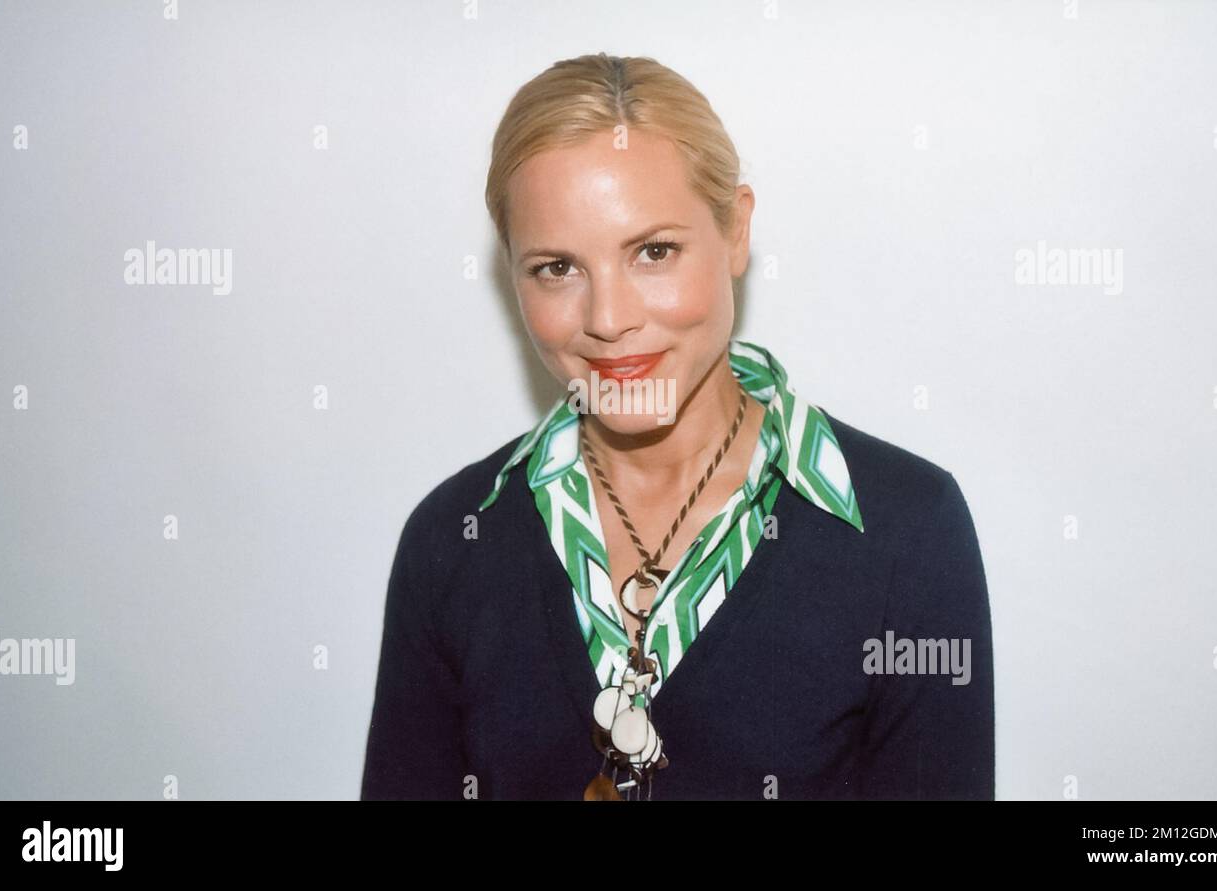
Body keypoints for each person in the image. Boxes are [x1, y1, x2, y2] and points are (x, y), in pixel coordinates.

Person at [360, 52, 994, 800]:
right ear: (512, 274)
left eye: (653, 252)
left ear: (735, 231)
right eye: (557, 268)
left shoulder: (906, 531)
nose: (609, 319)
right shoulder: (451, 542)